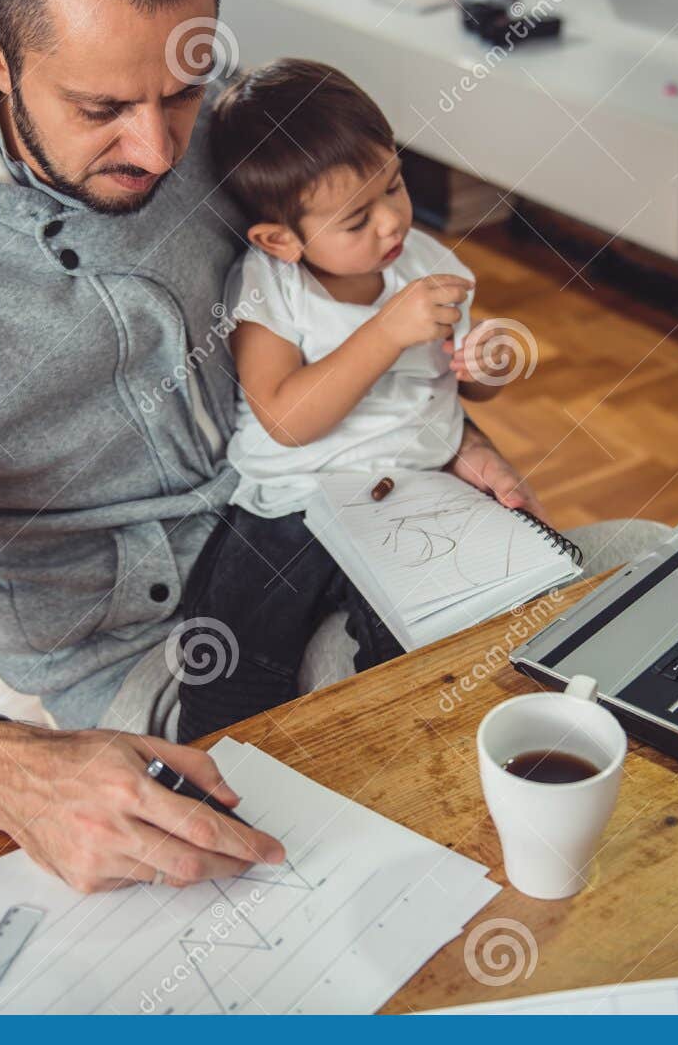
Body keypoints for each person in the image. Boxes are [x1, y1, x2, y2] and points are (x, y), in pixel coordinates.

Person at [0, 0, 572, 895]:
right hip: (157, 661)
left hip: (337, 503)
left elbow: (333, 294)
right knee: (496, 718)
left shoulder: (212, 123)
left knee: (610, 591)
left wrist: (447, 423)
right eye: (101, 109)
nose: (160, 153)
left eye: (185, 89)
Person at [174, 59, 530, 740]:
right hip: (291, 503)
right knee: (230, 661)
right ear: (281, 240)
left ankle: (406, 757)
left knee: (421, 646)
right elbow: (284, 417)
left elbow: (462, 380)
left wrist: (486, 362)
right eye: (356, 219)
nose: (393, 222)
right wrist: (387, 331)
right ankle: (223, 780)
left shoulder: (424, 263)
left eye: (394, 184)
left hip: (412, 490)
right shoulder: (272, 286)